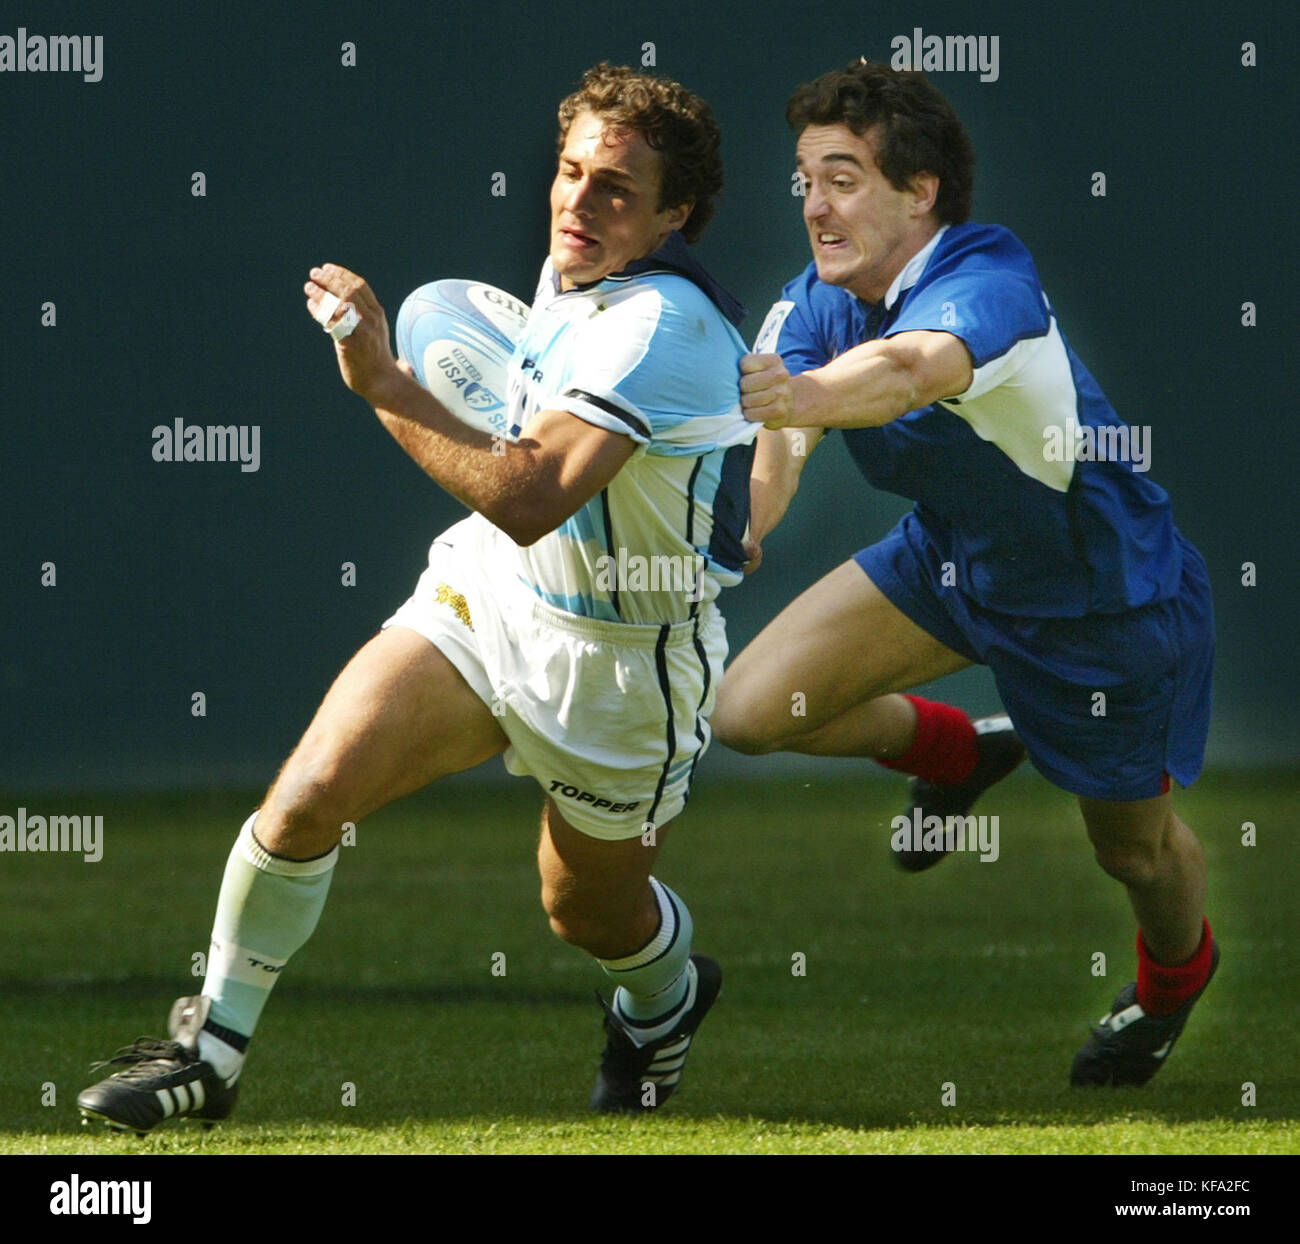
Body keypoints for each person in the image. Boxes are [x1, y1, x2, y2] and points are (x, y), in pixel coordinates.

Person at [78, 62, 756, 1131]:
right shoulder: (576, 272)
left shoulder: (662, 324)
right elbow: (523, 490)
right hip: (494, 592)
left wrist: (384, 381)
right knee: (308, 796)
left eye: (615, 188)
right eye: (570, 171)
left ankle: (663, 1000)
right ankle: (207, 1049)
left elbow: (530, 494)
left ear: (675, 215)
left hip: (623, 666)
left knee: (586, 911)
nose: (578, 201)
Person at [713, 59, 1217, 1086]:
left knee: (1133, 854)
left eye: (844, 179)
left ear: (920, 191)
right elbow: (778, 448)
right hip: (950, 558)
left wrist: (802, 396)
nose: (815, 205)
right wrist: (744, 526)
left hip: (1098, 600)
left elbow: (909, 370)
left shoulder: (988, 281)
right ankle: (959, 754)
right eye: (806, 181)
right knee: (749, 712)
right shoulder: (813, 302)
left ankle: (1171, 986)